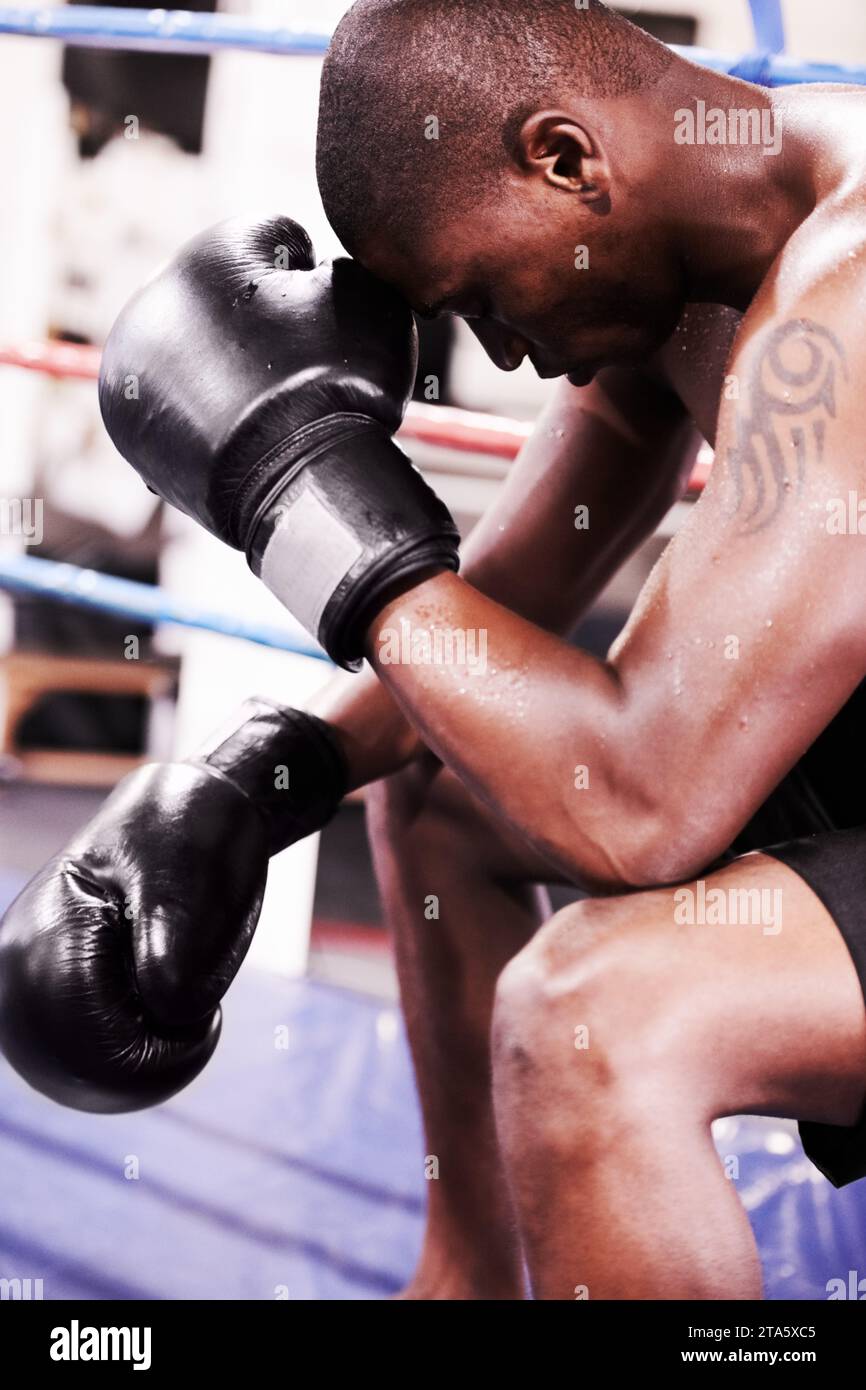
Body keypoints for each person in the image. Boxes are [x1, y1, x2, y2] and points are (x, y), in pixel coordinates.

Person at [4, 0, 866, 1300]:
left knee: (588, 1018)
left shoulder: (845, 290)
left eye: (478, 297)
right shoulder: (679, 265)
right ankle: (461, 1284)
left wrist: (292, 492)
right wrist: (253, 778)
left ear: (566, 158)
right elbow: (489, 627)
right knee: (444, 779)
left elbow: (638, 803)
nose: (503, 349)